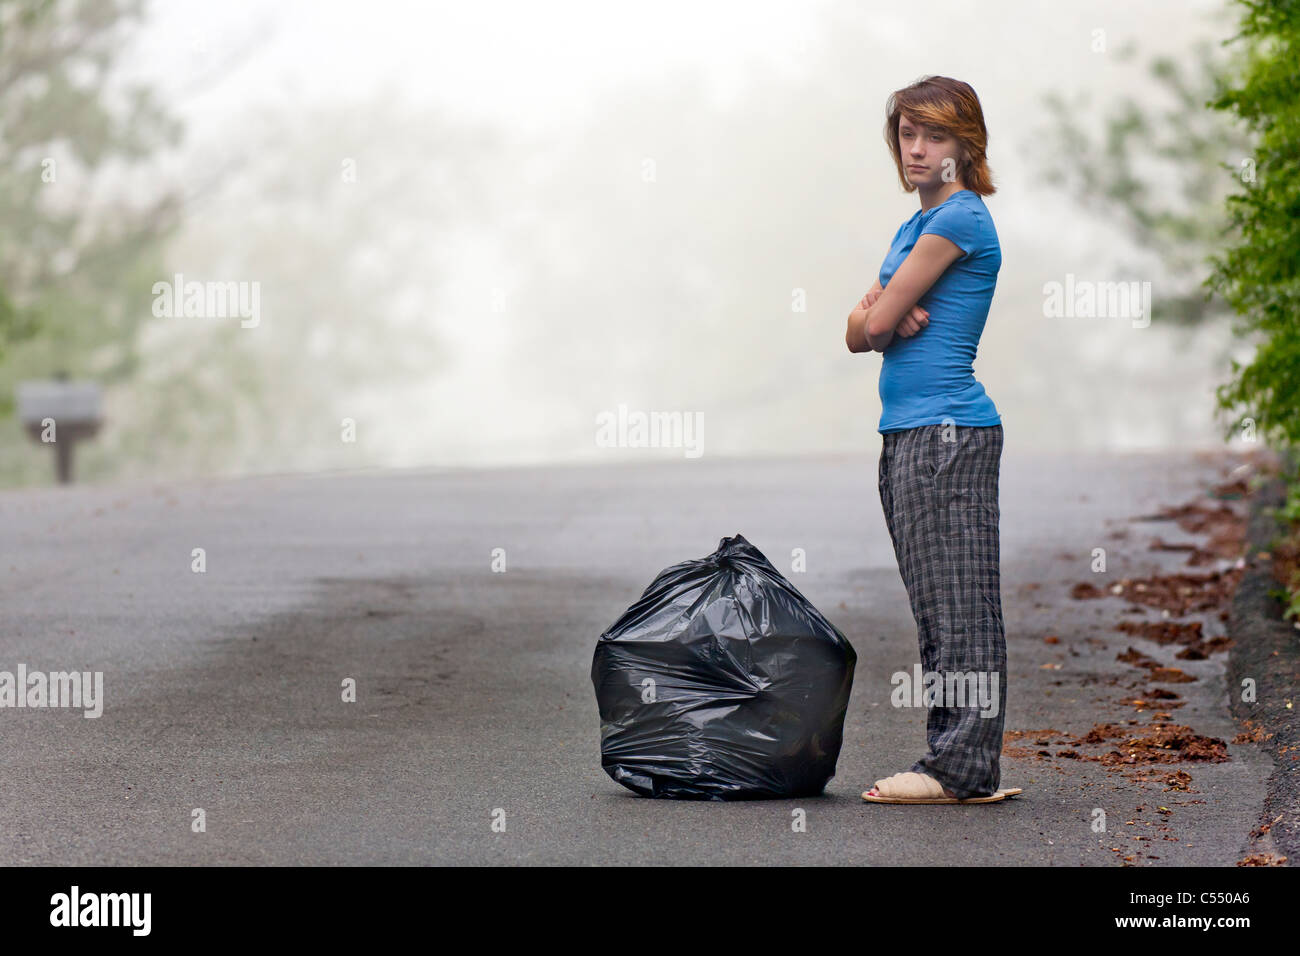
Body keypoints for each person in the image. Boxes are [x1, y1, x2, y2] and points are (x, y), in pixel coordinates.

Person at [845, 75, 1014, 805]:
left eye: (934, 135)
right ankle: (953, 759)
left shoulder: (960, 220)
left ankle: (962, 769)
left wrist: (881, 310)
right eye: (908, 134)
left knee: (961, 606)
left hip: (948, 433)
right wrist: (879, 313)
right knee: (936, 607)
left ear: (965, 145)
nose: (917, 149)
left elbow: (874, 326)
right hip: (909, 433)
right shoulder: (915, 228)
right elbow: (856, 334)